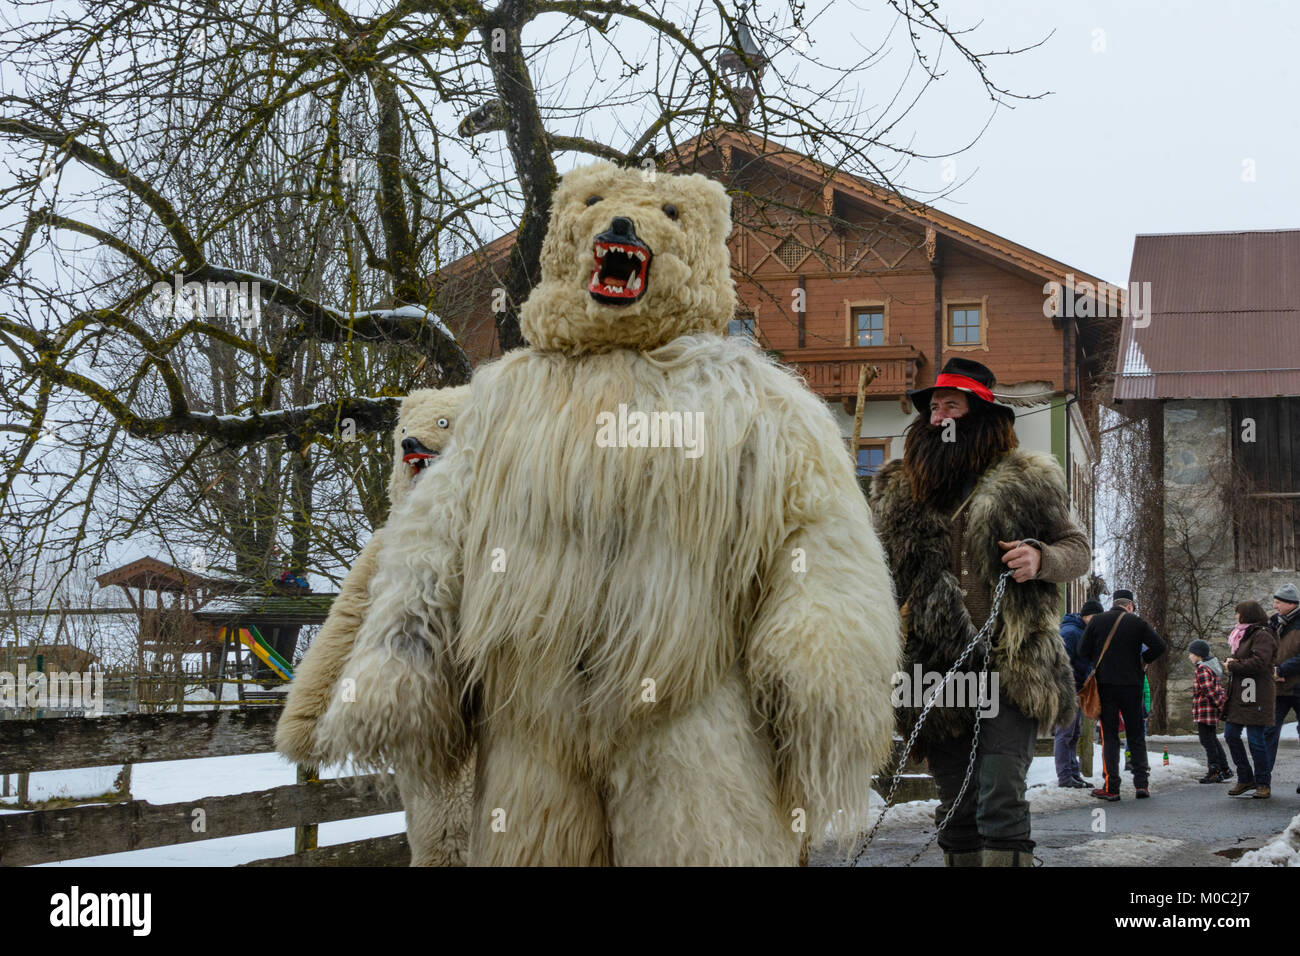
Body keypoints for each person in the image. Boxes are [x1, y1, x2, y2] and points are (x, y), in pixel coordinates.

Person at [867, 357, 1090, 867]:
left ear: (982, 415)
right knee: (956, 806)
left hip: (1008, 661)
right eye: (933, 407)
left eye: (952, 405)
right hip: (933, 667)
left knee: (999, 793)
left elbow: (1077, 550)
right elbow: (875, 567)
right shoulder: (900, 491)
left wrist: (1041, 557)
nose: (939, 416)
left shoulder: (1028, 480)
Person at [1078, 589, 1166, 801]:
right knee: (1136, 735)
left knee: (1109, 736)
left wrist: (1100, 658)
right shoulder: (1137, 623)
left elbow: (1082, 651)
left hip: (1105, 685)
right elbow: (1159, 646)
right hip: (1132, 684)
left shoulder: (1097, 621)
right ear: (1130, 605)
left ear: (1114, 603)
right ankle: (1141, 785)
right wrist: (1143, 660)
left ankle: (1111, 787)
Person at [1223, 600, 1278, 798]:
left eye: (1238, 613)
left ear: (1247, 614)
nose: (1236, 617)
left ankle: (1263, 782)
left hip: (1258, 694)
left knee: (1256, 740)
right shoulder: (1244, 634)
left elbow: (1260, 662)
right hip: (1242, 695)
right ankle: (1245, 778)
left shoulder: (1263, 634)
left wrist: (1233, 665)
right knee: (1230, 735)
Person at [1056, 600, 1101, 788]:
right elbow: (1060, 662)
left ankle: (1073, 774)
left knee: (1074, 734)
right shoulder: (1071, 632)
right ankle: (1065, 777)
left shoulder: (1081, 631)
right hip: (1069, 688)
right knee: (1065, 734)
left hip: (1078, 688)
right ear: (1088, 615)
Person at [1266, 583, 1300, 792]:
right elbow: (1265, 650)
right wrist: (1271, 670)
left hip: (1298, 687)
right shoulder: (1272, 624)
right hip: (1276, 689)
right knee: (1268, 732)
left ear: (1290, 603)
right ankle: (1262, 780)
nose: (1274, 605)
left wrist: (1282, 670)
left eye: (1278, 602)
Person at [1188, 639, 1230, 783]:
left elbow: (1209, 691)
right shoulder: (1211, 668)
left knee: (1207, 741)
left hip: (1205, 711)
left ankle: (1214, 770)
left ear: (1199, 654)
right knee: (1212, 739)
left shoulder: (1202, 669)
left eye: (1191, 653)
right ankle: (1224, 768)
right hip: (1210, 711)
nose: (1189, 656)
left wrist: (1219, 705)